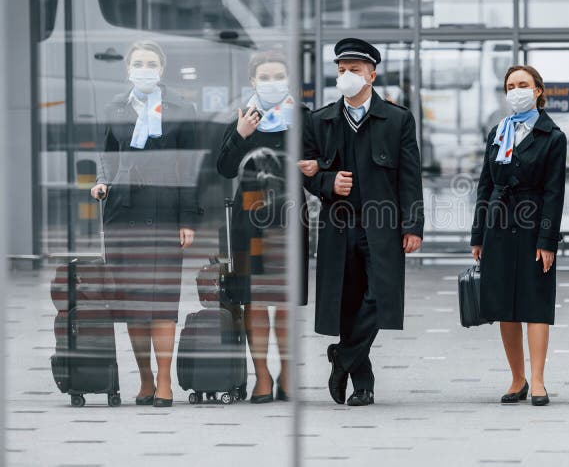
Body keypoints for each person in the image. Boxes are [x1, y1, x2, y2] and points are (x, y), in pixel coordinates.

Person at [303, 38, 424, 407]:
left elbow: (409, 176)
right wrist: (326, 182)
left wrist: (413, 225)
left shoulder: (398, 118)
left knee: (380, 296)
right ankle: (363, 384)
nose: (347, 76)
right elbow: (305, 170)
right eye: (341, 71)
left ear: (372, 74)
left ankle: (344, 356)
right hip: (339, 226)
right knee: (348, 301)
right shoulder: (320, 120)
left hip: (383, 227)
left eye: (354, 70)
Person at [90, 40, 200, 407]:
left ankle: (166, 381)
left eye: (151, 63)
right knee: (133, 302)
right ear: (128, 69)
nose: (145, 68)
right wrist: (102, 181)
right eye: (138, 63)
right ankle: (146, 379)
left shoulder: (181, 108)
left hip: (166, 209)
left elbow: (190, 169)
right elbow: (105, 154)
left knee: (163, 300)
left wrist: (188, 218)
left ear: (162, 68)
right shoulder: (115, 107)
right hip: (123, 211)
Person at [216, 50, 312, 403]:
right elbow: (224, 169)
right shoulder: (243, 117)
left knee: (285, 302)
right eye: (265, 77)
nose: (272, 83)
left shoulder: (302, 118)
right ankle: (262, 378)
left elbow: (319, 164)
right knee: (253, 302)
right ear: (253, 81)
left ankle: (288, 374)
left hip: (289, 217)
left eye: (278, 76)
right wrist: (240, 135)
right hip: (249, 218)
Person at [471, 65, 566, 406]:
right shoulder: (499, 131)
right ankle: (517, 378)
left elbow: (555, 192)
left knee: (535, 303)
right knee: (505, 306)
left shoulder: (553, 136)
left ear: (538, 90)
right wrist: (477, 235)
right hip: (497, 224)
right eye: (510, 86)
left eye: (523, 84)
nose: (516, 90)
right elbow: (485, 185)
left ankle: (538, 380)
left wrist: (547, 241)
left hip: (532, 225)